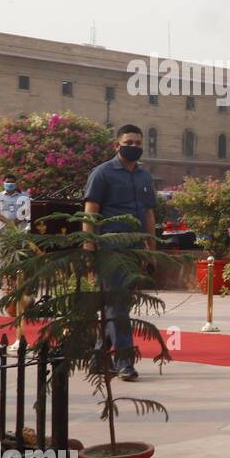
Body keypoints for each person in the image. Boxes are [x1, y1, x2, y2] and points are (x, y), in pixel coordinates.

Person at [83, 124, 158, 382]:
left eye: (138, 143)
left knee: (118, 306)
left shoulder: (144, 176)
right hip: (110, 248)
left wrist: (151, 248)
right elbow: (91, 210)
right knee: (118, 306)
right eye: (129, 142)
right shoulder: (102, 173)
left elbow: (149, 213)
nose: (134, 147)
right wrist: (89, 246)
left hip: (135, 249)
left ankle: (97, 357)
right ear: (117, 145)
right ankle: (124, 361)